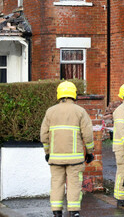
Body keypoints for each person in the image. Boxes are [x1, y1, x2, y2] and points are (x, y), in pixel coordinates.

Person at [40, 81, 95, 217]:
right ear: (73, 94)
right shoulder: (80, 111)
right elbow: (87, 135)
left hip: (55, 158)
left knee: (56, 184)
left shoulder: (50, 111)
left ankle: (57, 212)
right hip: (75, 159)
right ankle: (74, 212)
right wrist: (89, 152)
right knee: (74, 184)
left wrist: (47, 152)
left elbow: (44, 135)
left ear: (59, 94)